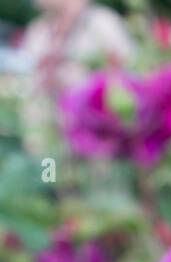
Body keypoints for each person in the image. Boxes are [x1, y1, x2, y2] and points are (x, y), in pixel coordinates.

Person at [18, 0, 135, 153]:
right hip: (44, 141)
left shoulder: (101, 23)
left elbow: (126, 73)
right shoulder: (38, 29)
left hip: (90, 142)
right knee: (48, 173)